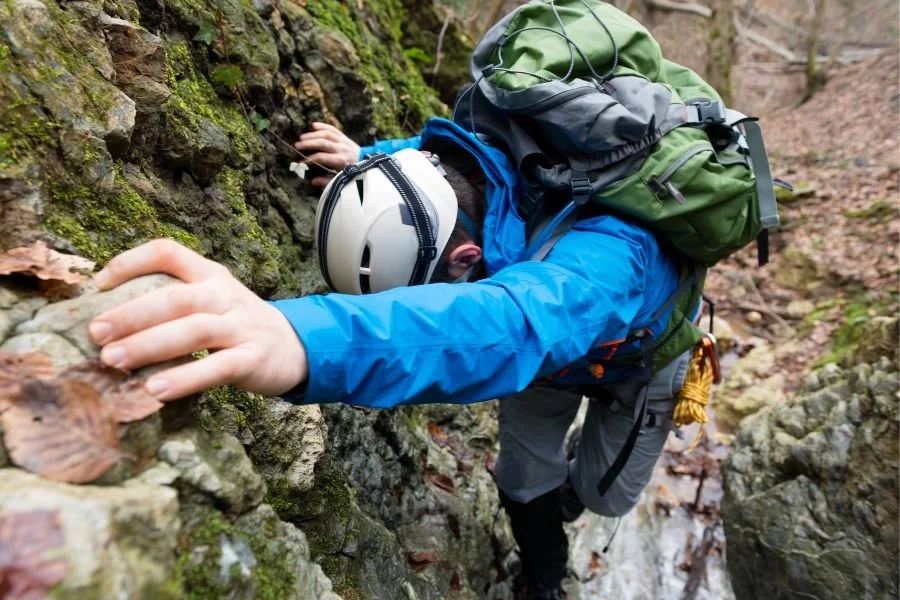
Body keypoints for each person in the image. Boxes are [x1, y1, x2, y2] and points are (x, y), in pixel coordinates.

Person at [88, 117, 696, 600]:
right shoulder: (477, 155)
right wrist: (369, 163)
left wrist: (300, 338)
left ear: (462, 261)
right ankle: (544, 578)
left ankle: (573, 493)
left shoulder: (613, 250)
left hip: (635, 363)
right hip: (551, 363)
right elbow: (434, 158)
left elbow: (512, 324)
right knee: (520, 479)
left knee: (603, 495)